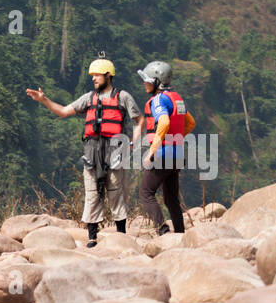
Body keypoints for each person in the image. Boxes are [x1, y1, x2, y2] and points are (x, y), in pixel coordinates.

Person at [25, 57, 139, 247]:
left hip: (116, 150)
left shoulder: (123, 97)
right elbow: (62, 111)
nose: (93, 78)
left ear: (108, 76)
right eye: (92, 75)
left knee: (116, 193)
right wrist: (43, 100)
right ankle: (92, 238)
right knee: (92, 194)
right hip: (92, 151)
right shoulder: (88, 98)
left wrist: (132, 144)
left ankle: (121, 237)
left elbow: (139, 120)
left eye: (97, 75)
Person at [136, 59, 196, 235]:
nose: (145, 83)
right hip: (177, 155)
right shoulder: (177, 99)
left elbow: (163, 121)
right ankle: (180, 234)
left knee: (146, 193)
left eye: (147, 79)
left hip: (162, 154)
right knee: (171, 199)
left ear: (157, 81)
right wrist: (175, 140)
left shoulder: (158, 100)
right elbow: (191, 123)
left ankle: (162, 230)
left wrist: (153, 150)